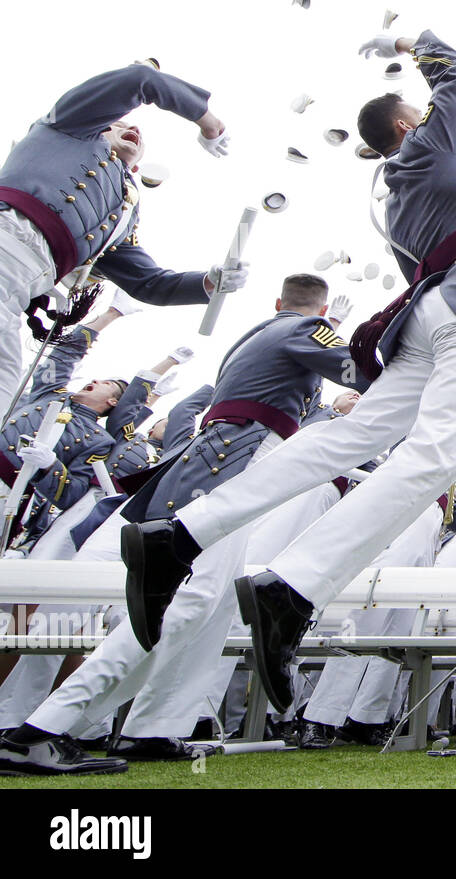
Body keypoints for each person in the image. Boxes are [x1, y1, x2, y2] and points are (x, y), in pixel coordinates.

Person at [116, 26, 456, 717]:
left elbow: (422, 275)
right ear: (406, 124)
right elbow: (455, 69)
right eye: (419, 115)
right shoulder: (429, 146)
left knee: (352, 436)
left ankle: (180, 534)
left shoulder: (395, 199)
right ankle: (292, 588)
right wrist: (411, 40)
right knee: (434, 457)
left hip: (431, 314)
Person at [0, 274, 367, 775]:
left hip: (239, 459)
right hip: (238, 463)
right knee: (192, 599)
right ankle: (42, 729)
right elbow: (360, 372)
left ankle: (151, 727)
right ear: (318, 311)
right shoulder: (305, 329)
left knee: (215, 605)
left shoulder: (263, 332)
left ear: (277, 299)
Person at [0, 61, 240, 411]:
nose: (133, 127)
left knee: (5, 390)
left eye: (136, 131)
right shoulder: (67, 129)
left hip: (19, 289)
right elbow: (139, 79)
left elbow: (150, 284)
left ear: (138, 165)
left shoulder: (122, 213)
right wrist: (210, 123)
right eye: (118, 123)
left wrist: (209, 282)